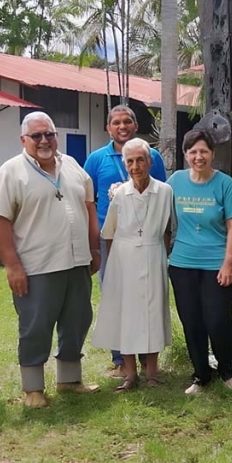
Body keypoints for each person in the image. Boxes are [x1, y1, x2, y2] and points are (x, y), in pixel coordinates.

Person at [0, 112, 102, 408]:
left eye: (49, 134)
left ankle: (69, 380)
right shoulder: (11, 172)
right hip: (37, 266)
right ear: (23, 140)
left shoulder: (73, 165)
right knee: (36, 326)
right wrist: (12, 266)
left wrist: (95, 249)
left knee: (77, 320)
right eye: (36, 135)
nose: (44, 141)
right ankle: (33, 390)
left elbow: (89, 206)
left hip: (77, 262)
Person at [83, 104, 168, 379]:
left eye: (127, 121)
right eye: (116, 122)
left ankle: (148, 362)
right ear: (109, 128)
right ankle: (121, 361)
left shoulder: (153, 155)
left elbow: (164, 207)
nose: (122, 126)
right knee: (119, 300)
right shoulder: (96, 159)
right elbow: (86, 199)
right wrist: (95, 247)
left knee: (149, 301)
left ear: (134, 125)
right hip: (114, 242)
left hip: (150, 242)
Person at [167, 129, 232, 394]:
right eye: (193, 151)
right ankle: (201, 375)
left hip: (218, 265)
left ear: (212, 154)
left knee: (218, 320)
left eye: (204, 151)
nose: (198, 157)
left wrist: (228, 262)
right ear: (185, 154)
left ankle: (226, 370)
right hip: (182, 264)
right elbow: (152, 200)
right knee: (192, 321)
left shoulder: (225, 184)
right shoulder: (175, 180)